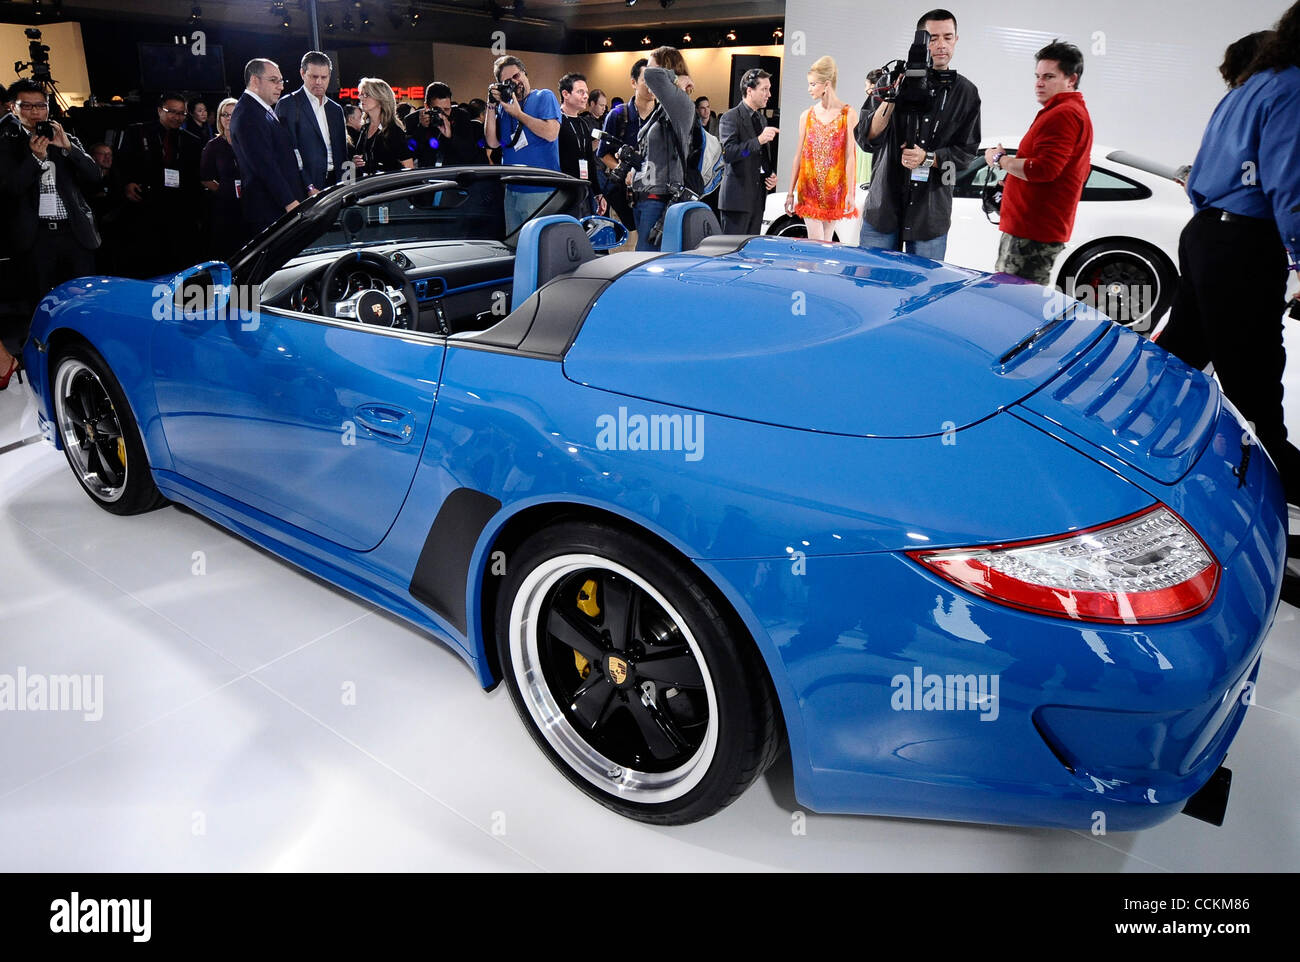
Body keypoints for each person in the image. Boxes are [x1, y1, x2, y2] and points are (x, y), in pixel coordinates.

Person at [1157, 1, 1300, 504]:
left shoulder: (1251, 86)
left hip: (1207, 233)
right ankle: (1269, 488)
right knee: (1254, 371)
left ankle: (1144, 450)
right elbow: (1290, 182)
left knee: (1180, 355)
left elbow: (1198, 177)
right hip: (1243, 244)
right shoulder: (1294, 86)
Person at [856, 8, 981, 260]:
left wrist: (928, 158)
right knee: (873, 289)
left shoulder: (966, 92)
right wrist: (893, 95)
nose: (941, 45)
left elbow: (966, 154)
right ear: (920, 41)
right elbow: (866, 138)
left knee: (924, 293)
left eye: (948, 37)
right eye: (933, 38)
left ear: (956, 39)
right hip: (883, 207)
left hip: (930, 214)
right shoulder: (891, 81)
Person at [0, 80, 101, 362]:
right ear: (13, 108)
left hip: (74, 233)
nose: (36, 113)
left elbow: (95, 176)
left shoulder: (63, 136)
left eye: (41, 106)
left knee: (83, 300)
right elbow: (9, 189)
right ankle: (46, 358)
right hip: (36, 237)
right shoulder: (6, 142)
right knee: (41, 303)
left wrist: (68, 147)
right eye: (28, 106)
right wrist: (34, 158)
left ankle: (88, 353)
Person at [984, 40, 1092, 285]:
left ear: (1071, 79)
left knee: (1014, 304)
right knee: (1016, 301)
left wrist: (1000, 160)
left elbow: (1044, 169)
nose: (1039, 83)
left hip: (1031, 232)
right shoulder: (1069, 111)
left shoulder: (1063, 114)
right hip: (1032, 229)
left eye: (1049, 76)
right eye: (1037, 76)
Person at [116, 90, 205, 276]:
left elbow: (196, 179)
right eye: (171, 111)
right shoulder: (137, 132)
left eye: (182, 113)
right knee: (149, 266)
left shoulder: (192, 141)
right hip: (145, 211)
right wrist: (127, 183)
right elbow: (120, 165)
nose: (177, 117)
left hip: (179, 214)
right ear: (159, 111)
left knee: (180, 267)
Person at [484, 55, 561, 233]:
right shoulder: (505, 107)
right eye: (507, 81)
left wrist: (519, 114)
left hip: (540, 190)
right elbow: (492, 142)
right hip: (512, 190)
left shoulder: (544, 96)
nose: (514, 83)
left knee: (538, 247)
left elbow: (551, 133)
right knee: (516, 246)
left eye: (516, 76)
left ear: (525, 74)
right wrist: (491, 105)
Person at [785, 57, 859, 241]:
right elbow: (798, 156)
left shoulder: (848, 114)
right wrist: (790, 192)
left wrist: (850, 192)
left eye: (813, 84)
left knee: (826, 243)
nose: (809, 89)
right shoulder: (807, 115)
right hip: (809, 188)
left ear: (826, 84)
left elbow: (851, 156)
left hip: (834, 189)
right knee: (817, 241)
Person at [229, 58, 305, 235]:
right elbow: (264, 165)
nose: (281, 86)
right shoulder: (248, 114)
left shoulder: (260, 110)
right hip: (271, 211)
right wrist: (289, 202)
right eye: (273, 80)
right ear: (255, 80)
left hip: (277, 208)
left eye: (281, 81)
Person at [631, 46, 696, 251]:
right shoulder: (662, 108)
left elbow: (651, 75)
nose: (646, 74)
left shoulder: (680, 103)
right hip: (646, 199)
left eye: (651, 65)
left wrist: (676, 78)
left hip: (659, 201)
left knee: (645, 267)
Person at [718, 69, 781, 236]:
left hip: (757, 200)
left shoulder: (761, 119)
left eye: (769, 89)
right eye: (764, 89)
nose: (769, 94)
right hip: (736, 202)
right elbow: (729, 154)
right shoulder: (730, 118)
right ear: (749, 91)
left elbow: (758, 157)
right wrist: (758, 140)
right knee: (731, 253)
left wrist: (769, 174)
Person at [276, 51, 348, 193]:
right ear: (302, 74)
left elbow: (343, 152)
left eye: (324, 77)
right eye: (314, 76)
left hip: (338, 186)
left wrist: (349, 185)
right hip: (306, 188)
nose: (319, 82)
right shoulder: (288, 104)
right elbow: (288, 152)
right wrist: (308, 185)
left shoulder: (336, 109)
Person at [598, 59, 654, 230]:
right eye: (646, 79)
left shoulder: (664, 116)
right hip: (626, 194)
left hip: (656, 193)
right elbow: (603, 153)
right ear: (633, 82)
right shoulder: (618, 115)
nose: (652, 85)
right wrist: (624, 171)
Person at [200, 98, 249, 260]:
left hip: (250, 203)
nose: (228, 118)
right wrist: (223, 191)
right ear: (220, 118)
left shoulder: (250, 142)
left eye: (233, 114)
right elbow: (205, 178)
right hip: (225, 208)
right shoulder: (213, 146)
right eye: (224, 114)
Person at [557, 73, 606, 215]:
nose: (586, 96)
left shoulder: (582, 123)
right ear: (565, 94)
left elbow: (589, 159)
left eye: (586, 92)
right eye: (580, 92)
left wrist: (598, 193)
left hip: (583, 189)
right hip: (563, 191)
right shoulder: (556, 121)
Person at [413, 81, 489, 168]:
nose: (442, 114)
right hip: (430, 174)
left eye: (446, 109)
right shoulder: (418, 120)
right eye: (437, 110)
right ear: (427, 106)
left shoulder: (461, 117)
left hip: (455, 174)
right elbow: (413, 155)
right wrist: (422, 128)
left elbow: (470, 154)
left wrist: (451, 136)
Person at [354, 77, 415, 176]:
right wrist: (355, 162)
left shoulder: (393, 130)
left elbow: (409, 168)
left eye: (366, 95)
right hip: (369, 187)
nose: (361, 98)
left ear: (380, 99)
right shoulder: (364, 129)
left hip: (389, 188)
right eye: (361, 94)